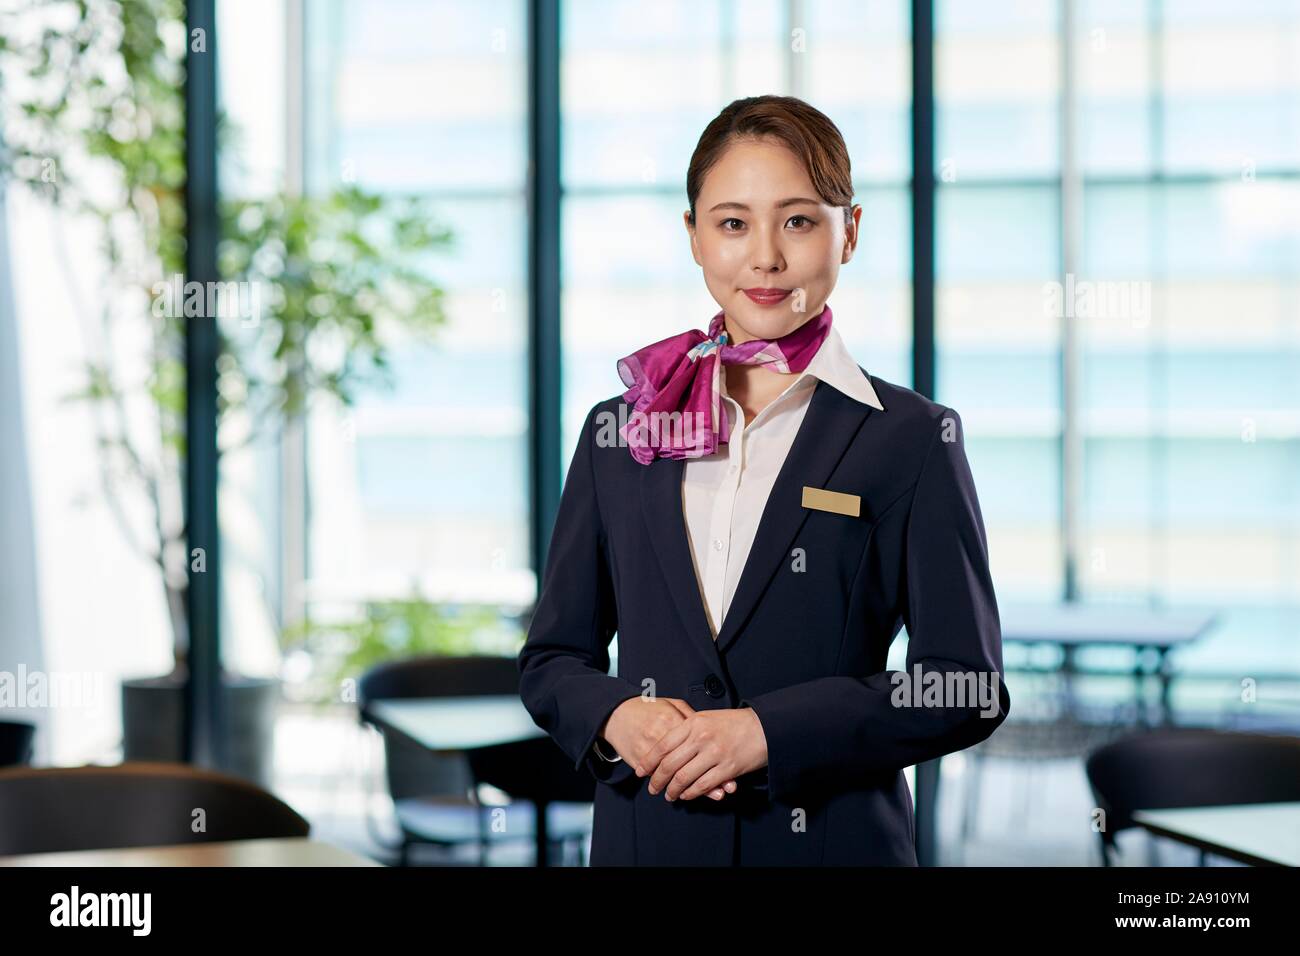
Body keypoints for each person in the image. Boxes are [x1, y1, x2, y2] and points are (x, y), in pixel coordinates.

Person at [517, 94, 1009, 865]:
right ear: (695, 236)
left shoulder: (911, 439)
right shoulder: (619, 428)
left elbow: (966, 685)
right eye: (733, 223)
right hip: (650, 843)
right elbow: (552, 659)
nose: (766, 258)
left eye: (800, 220)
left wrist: (768, 733)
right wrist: (617, 716)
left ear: (848, 232)